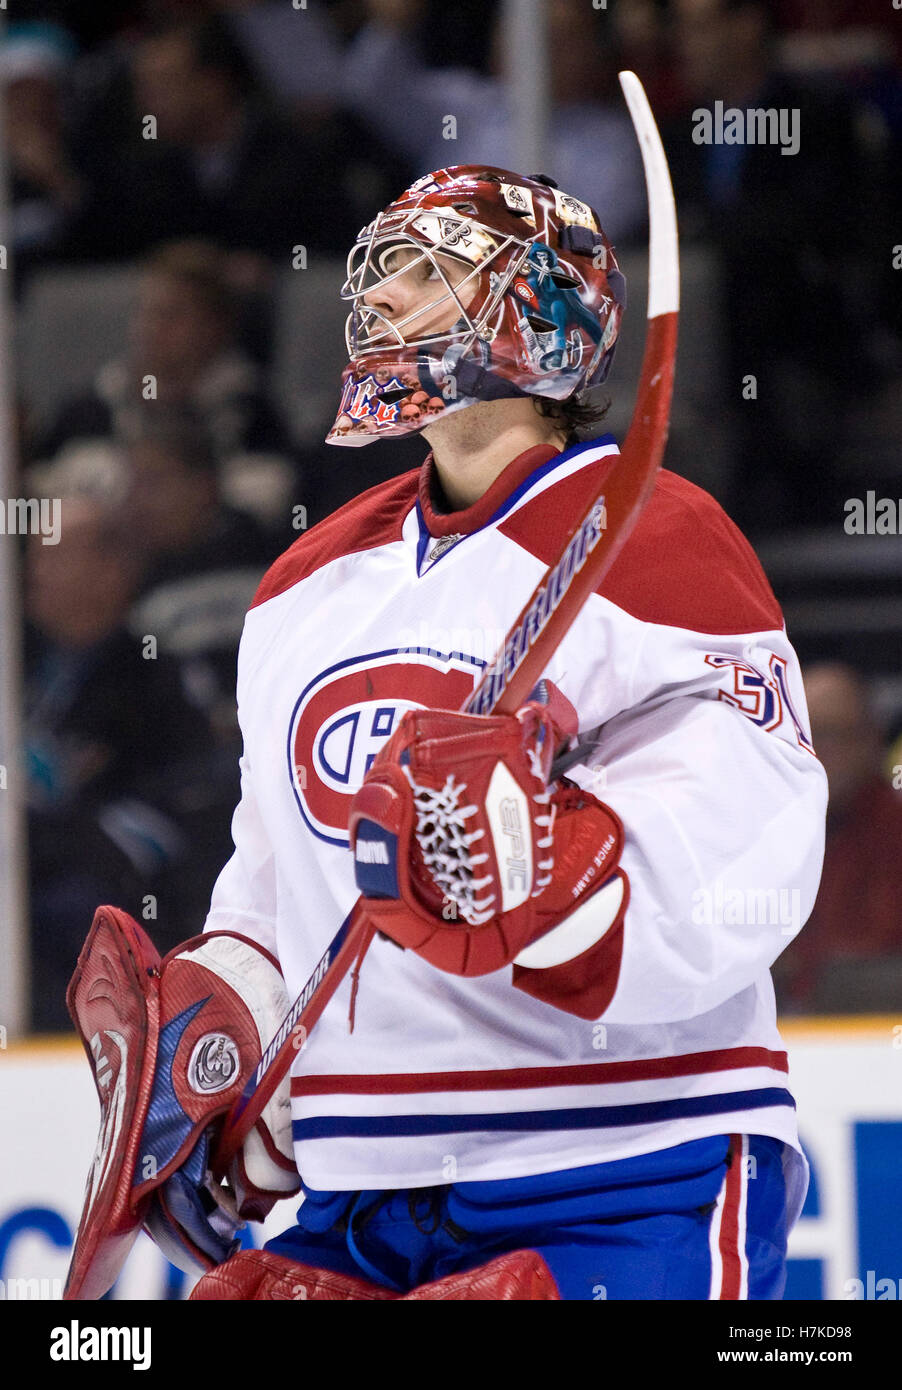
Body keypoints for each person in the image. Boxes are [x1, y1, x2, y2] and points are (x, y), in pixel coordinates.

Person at [69, 166, 826, 1300]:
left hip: (625, 1163)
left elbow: (755, 830)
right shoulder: (303, 587)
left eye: (427, 275)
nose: (380, 301)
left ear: (533, 316)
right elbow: (275, 871)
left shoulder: (655, 535)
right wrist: (233, 1046)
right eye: (383, 273)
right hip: (367, 1186)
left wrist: (568, 876)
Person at [772, 663, 902, 1012]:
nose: (813, 752)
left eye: (828, 734)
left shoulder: (894, 833)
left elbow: (878, 959)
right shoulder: (759, 832)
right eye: (801, 735)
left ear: (870, 739)